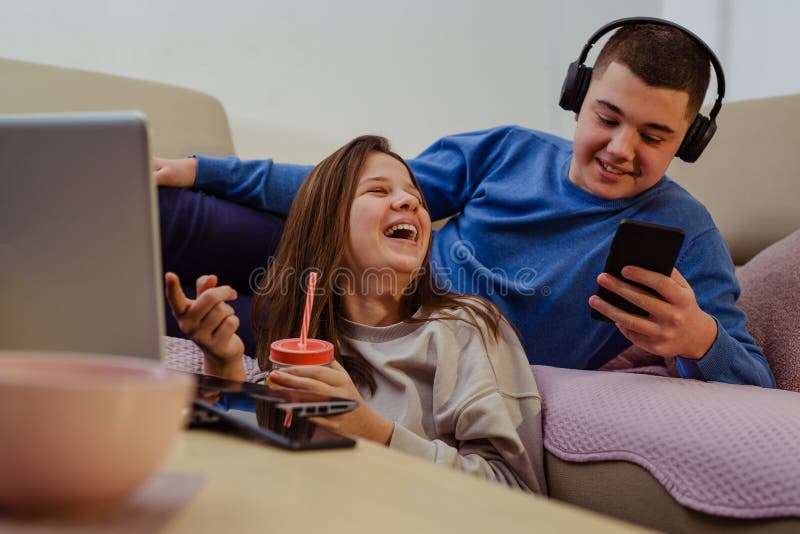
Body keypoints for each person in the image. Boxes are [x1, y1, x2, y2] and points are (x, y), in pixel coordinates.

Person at [156, 18, 775, 388]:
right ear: (577, 96)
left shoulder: (686, 232)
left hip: (384, 328)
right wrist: (204, 169)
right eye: (607, 117)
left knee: (185, 309)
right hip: (354, 256)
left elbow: (756, 382)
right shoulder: (507, 150)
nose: (619, 149)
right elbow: (350, 188)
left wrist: (696, 338)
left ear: (689, 141)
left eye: (654, 136)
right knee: (166, 211)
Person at [164, 135, 546, 493]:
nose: (410, 202)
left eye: (416, 197)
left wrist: (374, 431)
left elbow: (516, 489)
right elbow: (259, 460)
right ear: (327, 224)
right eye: (378, 190)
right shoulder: (304, 337)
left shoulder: (468, 329)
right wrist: (224, 363)